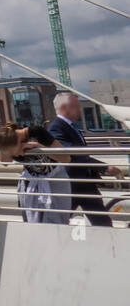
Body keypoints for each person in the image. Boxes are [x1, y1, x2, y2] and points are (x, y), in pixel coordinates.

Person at [48, 93, 116, 228]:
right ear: (65, 108)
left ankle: (109, 244)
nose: (80, 110)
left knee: (102, 220)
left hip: (83, 182)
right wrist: (103, 167)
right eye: (76, 107)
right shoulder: (56, 127)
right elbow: (72, 153)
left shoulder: (69, 126)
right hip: (71, 183)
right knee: (62, 220)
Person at [0, 122, 72, 224]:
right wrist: (2, 145)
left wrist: (39, 147)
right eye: (16, 153)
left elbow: (66, 158)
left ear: (18, 140)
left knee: (60, 222)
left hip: (56, 181)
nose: (21, 154)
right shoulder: (10, 140)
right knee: (34, 225)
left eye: (18, 151)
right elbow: (5, 162)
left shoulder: (37, 133)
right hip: (31, 184)